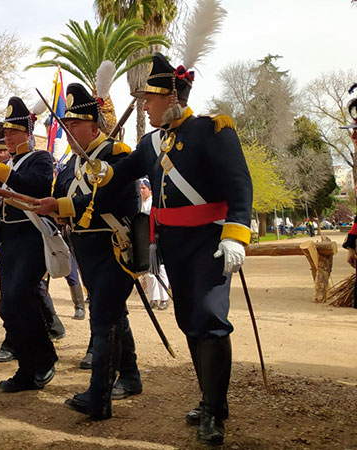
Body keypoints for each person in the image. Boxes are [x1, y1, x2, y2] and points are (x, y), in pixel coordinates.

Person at [83, 50, 252, 444]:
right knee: (190, 321)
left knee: (210, 320)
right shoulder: (151, 142)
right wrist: (102, 169)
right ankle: (212, 398)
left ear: (171, 98)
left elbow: (239, 186)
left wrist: (236, 233)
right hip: (173, 245)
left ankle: (214, 412)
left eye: (150, 98)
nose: (144, 104)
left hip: (210, 241)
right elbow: (123, 173)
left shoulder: (214, 129)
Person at [36, 81, 143, 418]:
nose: (68, 130)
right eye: (66, 124)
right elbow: (67, 199)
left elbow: (102, 201)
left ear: (95, 126)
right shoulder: (76, 163)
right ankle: (130, 375)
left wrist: (60, 204)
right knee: (113, 314)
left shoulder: (117, 155)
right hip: (86, 250)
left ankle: (99, 398)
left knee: (103, 318)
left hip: (114, 248)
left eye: (75, 124)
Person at [0, 97, 57, 392]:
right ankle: (28, 366)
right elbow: (8, 196)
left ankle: (44, 358)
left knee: (19, 298)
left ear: (28, 133)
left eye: (14, 132)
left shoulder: (41, 159)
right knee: (8, 306)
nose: (8, 137)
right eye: (6, 133)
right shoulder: (11, 162)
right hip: (10, 241)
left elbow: (34, 188)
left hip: (31, 238)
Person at [139, 179, 170, 311]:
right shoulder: (140, 203)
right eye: (140, 188)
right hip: (144, 239)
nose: (141, 191)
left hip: (156, 238)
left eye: (144, 188)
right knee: (149, 271)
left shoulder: (154, 202)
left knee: (161, 269)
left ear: (150, 190)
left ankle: (164, 298)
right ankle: (153, 298)